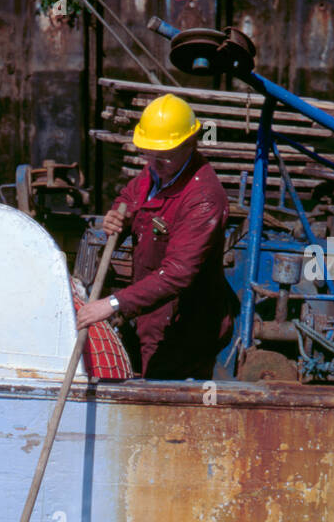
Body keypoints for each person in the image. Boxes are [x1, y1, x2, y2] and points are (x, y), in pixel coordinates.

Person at [76, 93, 236, 380]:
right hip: (150, 313)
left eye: (161, 156)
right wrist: (118, 217)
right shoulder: (159, 169)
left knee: (167, 403)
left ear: (190, 143)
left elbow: (177, 274)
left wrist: (112, 304)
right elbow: (131, 195)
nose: (152, 162)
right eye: (146, 153)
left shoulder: (203, 199)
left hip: (184, 325)